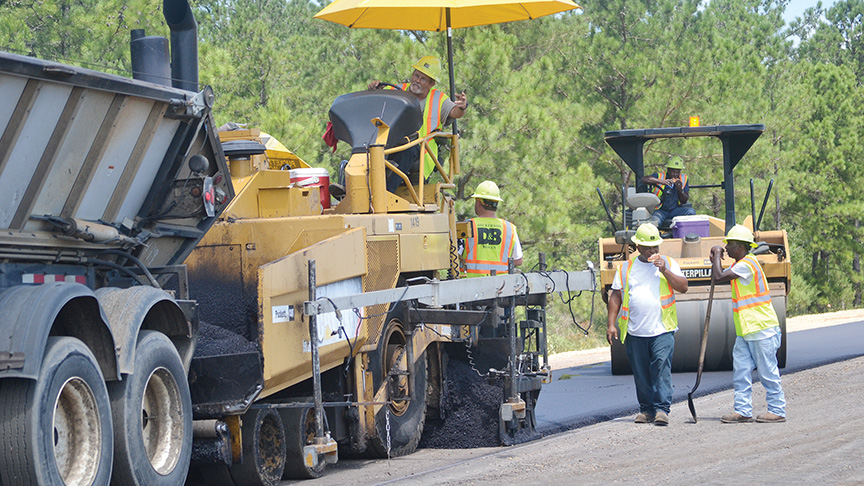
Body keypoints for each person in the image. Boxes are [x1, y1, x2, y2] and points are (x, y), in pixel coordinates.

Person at [606, 223, 688, 426]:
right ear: (638, 247)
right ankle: (646, 410)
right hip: (635, 331)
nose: (653, 251)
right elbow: (616, 296)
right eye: (648, 247)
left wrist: (665, 270)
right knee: (641, 372)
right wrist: (611, 324)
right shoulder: (625, 268)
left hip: (662, 329)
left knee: (660, 366)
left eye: (655, 247)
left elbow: (683, 287)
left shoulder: (668, 263)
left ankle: (662, 410)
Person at [710, 224, 786, 424]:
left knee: (767, 372)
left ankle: (777, 410)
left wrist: (716, 255)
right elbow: (719, 273)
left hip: (762, 329)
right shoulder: (740, 265)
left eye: (730, 244)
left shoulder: (747, 264)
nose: (726, 248)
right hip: (746, 330)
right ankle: (743, 410)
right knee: (741, 371)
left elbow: (718, 276)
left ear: (742, 247)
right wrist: (715, 260)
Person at [368, 56, 468, 191]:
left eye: (423, 79)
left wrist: (462, 107)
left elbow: (456, 112)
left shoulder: (438, 99)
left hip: (421, 151)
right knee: (365, 146)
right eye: (416, 76)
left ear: (431, 84)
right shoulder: (396, 90)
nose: (417, 81)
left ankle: (385, 193)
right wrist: (375, 89)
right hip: (390, 145)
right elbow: (377, 105)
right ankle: (350, 189)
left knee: (408, 150)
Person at [460, 181, 522, 277]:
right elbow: (518, 260)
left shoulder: (466, 225)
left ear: (478, 202)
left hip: (470, 283)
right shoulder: (509, 228)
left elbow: (453, 257)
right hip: (501, 284)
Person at [641, 156, 695, 228]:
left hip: (674, 210)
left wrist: (680, 190)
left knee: (691, 212)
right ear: (668, 169)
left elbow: (684, 200)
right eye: (672, 171)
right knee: (655, 222)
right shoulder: (660, 176)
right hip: (660, 210)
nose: (674, 174)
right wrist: (661, 182)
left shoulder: (683, 179)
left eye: (677, 172)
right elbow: (644, 179)